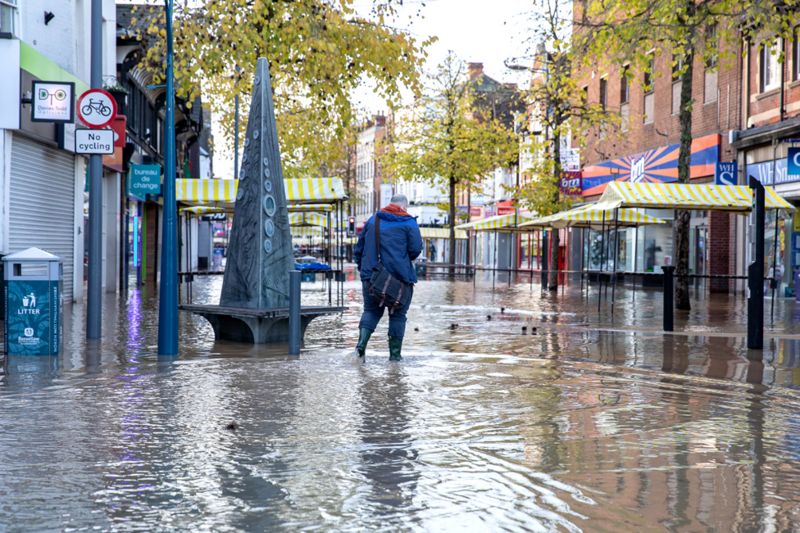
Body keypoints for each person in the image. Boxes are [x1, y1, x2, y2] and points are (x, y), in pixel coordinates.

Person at [353, 194, 423, 361]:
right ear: (404, 207)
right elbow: (415, 250)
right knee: (398, 315)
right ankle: (395, 358)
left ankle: (360, 347)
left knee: (371, 311)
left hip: (371, 277)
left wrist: (365, 269)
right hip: (400, 278)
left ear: (390, 204)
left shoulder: (373, 220)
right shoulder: (409, 223)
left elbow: (359, 249)